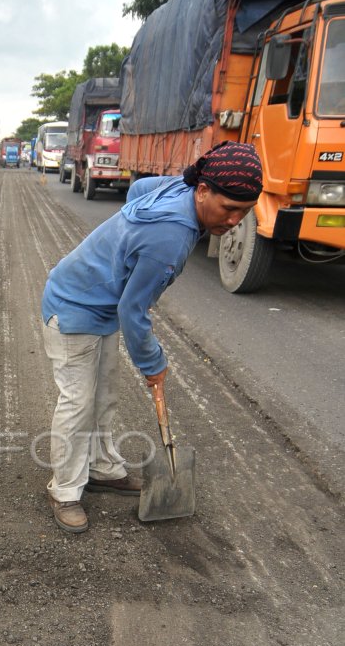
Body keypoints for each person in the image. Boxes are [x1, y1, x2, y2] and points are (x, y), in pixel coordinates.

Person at [41, 141, 263, 534]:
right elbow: (133, 310)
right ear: (204, 191)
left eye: (244, 213)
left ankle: (101, 468)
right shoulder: (171, 237)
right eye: (229, 209)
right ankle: (65, 491)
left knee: (103, 395)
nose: (233, 221)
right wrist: (154, 363)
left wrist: (127, 243)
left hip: (100, 303)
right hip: (74, 305)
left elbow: (138, 192)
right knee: (78, 402)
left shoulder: (180, 186)